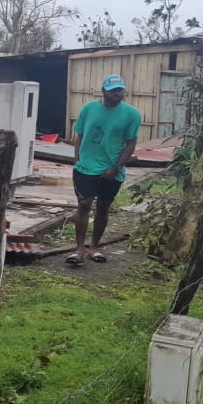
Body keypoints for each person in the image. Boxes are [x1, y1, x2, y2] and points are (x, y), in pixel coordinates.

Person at [67, 73, 141, 266]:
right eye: (113, 91)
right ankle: (79, 249)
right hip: (86, 167)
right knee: (84, 205)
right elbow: (80, 135)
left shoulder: (132, 114)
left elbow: (131, 143)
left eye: (120, 90)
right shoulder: (88, 109)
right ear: (103, 92)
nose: (117, 94)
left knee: (103, 207)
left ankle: (94, 247)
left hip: (112, 169)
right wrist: (77, 161)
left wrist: (116, 168)